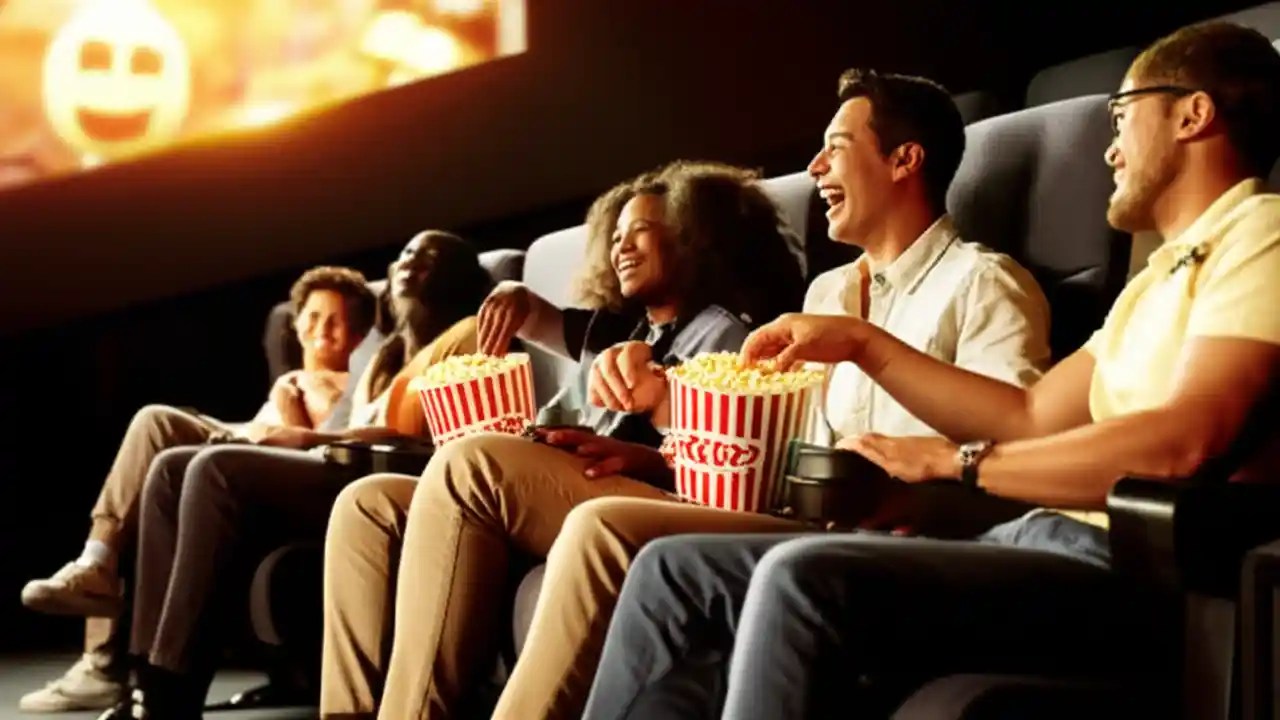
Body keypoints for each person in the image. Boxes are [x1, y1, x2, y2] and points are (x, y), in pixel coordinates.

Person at [581, 21, 1280, 719]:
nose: (1109, 147)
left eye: (1122, 116)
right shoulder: (1152, 279)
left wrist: (958, 464)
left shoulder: (1262, 233)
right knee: (670, 571)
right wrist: (865, 345)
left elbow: (1187, 440)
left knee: (801, 578)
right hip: (1036, 537)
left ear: (1192, 113)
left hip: (1127, 565)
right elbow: (1029, 415)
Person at [471, 69, 1058, 720]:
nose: (814, 167)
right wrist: (658, 434)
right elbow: (776, 452)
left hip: (908, 534)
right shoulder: (826, 294)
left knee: (603, 523)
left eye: (836, 147)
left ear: (903, 160)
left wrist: (909, 465)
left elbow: (1016, 439)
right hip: (799, 518)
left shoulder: (985, 282)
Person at [317, 160, 808, 719]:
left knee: (470, 465)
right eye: (615, 236)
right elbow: (541, 321)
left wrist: (646, 456)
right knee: (370, 501)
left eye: (640, 232)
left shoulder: (729, 330)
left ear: (694, 235)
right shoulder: (629, 330)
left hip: (654, 494)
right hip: (590, 477)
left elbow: (735, 455)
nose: (620, 247)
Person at [92, 229, 493, 720]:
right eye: (406, 253)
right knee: (172, 466)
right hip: (339, 465)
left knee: (218, 470)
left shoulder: (469, 334)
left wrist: (310, 440)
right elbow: (351, 424)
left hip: (388, 480)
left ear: (461, 279)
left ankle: (173, 693)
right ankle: (143, 680)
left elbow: (436, 440)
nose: (411, 261)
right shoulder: (387, 355)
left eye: (430, 257)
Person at [17, 265, 376, 714]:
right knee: (152, 441)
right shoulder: (288, 379)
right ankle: (97, 566)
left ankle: (107, 655)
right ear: (296, 321)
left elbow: (296, 447)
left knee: (165, 444)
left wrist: (294, 408)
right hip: (239, 438)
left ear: (360, 334)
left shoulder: (347, 383)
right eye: (314, 316)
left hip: (262, 464)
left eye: (336, 320)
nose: (322, 329)